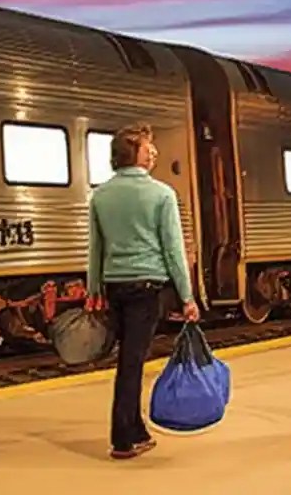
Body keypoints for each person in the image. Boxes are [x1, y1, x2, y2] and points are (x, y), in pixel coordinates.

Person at [85, 123, 201, 460]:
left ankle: (136, 430)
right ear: (134, 154)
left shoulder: (100, 195)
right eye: (148, 148)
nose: (154, 153)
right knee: (131, 362)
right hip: (147, 286)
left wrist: (93, 288)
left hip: (114, 285)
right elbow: (173, 250)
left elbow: (95, 248)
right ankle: (123, 439)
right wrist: (187, 297)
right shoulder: (161, 194)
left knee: (128, 358)